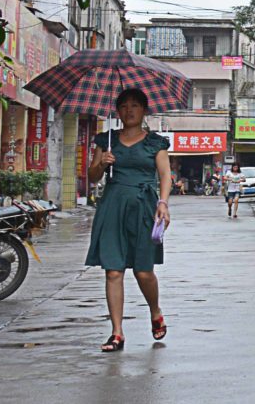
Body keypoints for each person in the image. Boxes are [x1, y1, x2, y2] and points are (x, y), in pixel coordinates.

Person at [85, 88, 171, 352]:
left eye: (135, 105)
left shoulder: (154, 142)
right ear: (117, 111)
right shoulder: (107, 140)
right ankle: (117, 333)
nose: (129, 110)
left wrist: (163, 203)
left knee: (143, 271)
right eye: (124, 106)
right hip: (112, 206)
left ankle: (155, 310)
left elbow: (165, 174)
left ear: (144, 110)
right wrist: (103, 163)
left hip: (144, 207)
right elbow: (92, 176)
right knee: (113, 270)